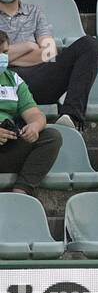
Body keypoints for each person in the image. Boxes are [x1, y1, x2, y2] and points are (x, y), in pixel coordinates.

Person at [0, 0, 98, 132]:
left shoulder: (35, 12)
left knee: (89, 44)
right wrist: (29, 47)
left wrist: (8, 56)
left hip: (39, 78)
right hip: (5, 81)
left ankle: (70, 116)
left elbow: (48, 52)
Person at [0, 31, 62, 194]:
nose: (2, 57)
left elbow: (34, 113)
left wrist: (34, 126)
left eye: (5, 52)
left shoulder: (13, 79)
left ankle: (21, 192)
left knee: (51, 137)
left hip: (8, 145)